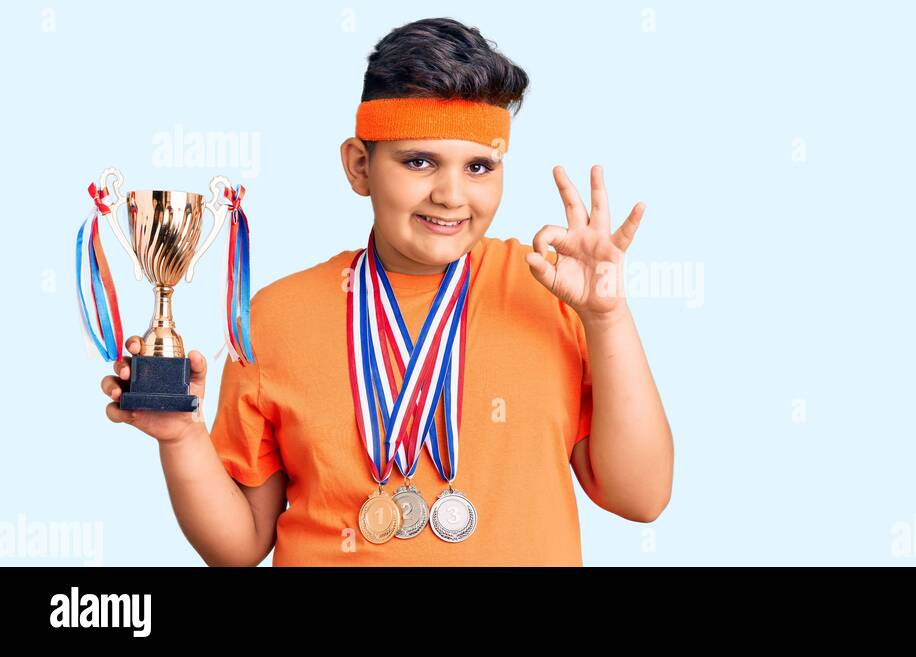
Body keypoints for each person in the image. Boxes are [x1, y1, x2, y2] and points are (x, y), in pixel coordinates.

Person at [99, 17, 673, 566]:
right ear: (359, 166)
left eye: (479, 167)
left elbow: (641, 497)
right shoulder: (273, 319)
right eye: (419, 161)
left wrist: (606, 315)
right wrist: (180, 437)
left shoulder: (550, 292)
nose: (452, 195)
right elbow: (239, 545)